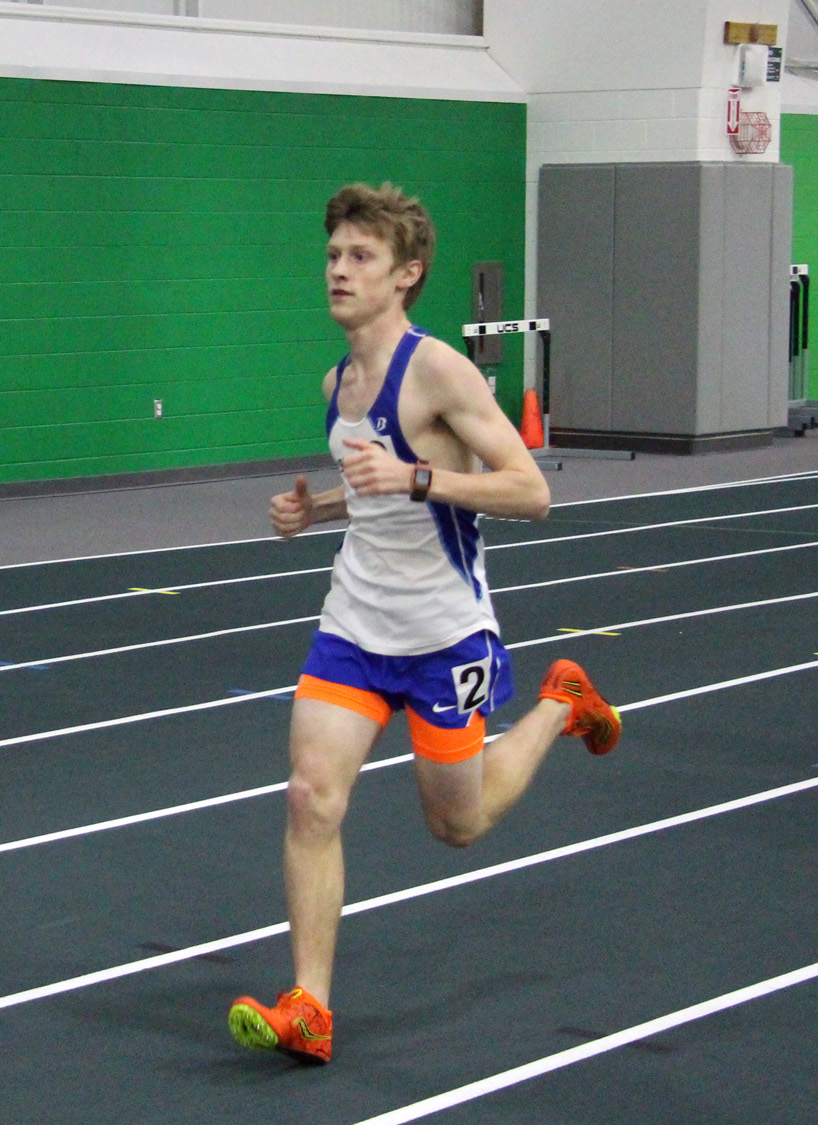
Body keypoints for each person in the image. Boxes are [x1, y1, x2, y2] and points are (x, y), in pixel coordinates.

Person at [226, 183, 621, 1064]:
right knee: (309, 795)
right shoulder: (337, 381)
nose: (338, 270)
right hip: (355, 626)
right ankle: (310, 1006)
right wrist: (316, 510)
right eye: (332, 254)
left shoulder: (439, 368)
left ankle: (560, 700)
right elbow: (375, 501)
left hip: (444, 634)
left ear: (405, 275)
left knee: (459, 824)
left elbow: (532, 492)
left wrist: (416, 479)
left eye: (359, 257)